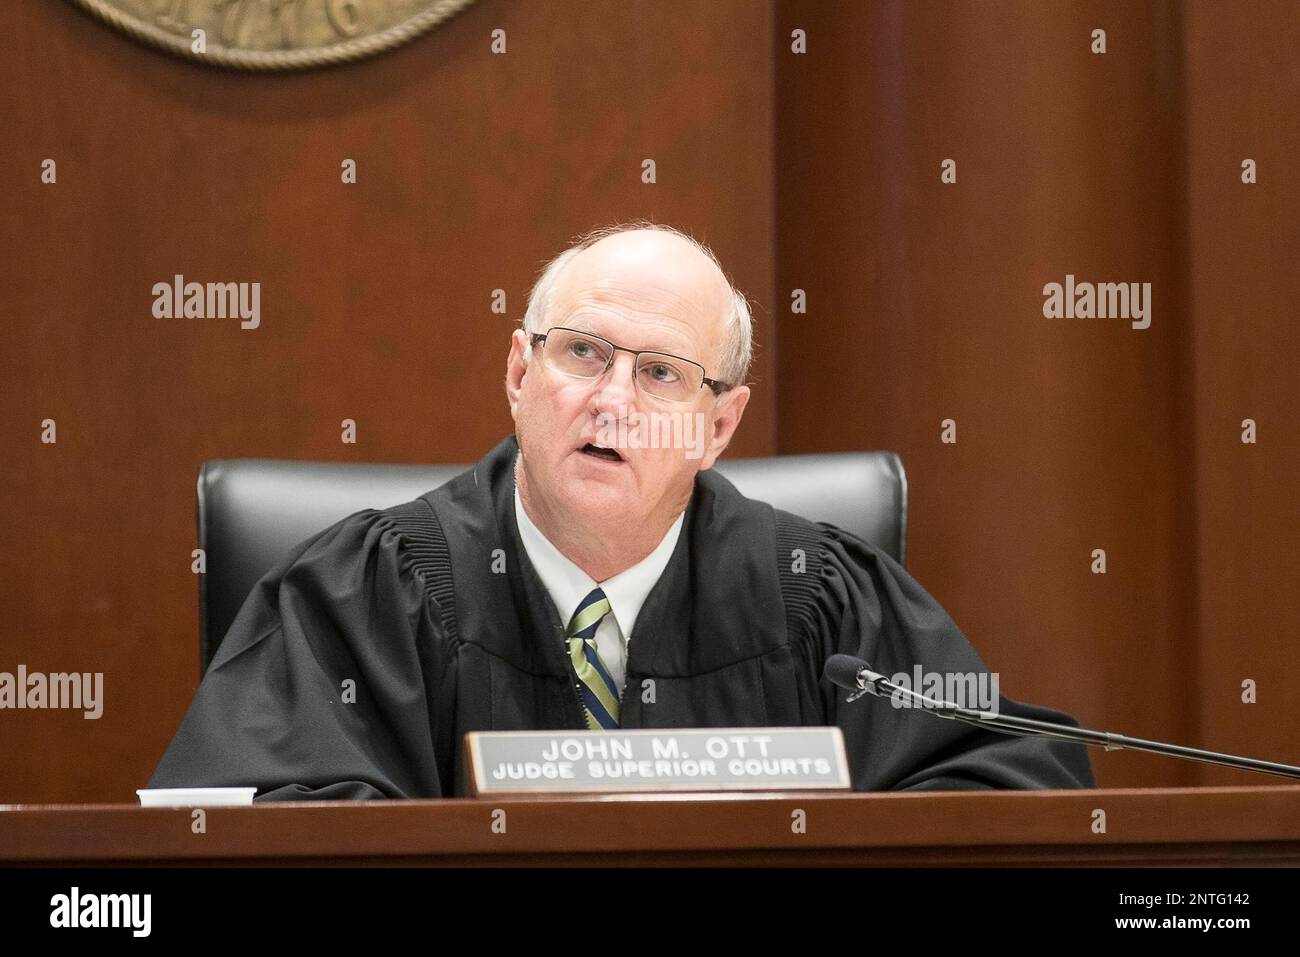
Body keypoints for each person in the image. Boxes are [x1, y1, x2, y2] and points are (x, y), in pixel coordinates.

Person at [148, 222, 1095, 800]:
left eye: (660, 374)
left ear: (719, 423)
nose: (613, 401)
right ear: (520, 372)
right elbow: (250, 813)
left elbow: (1006, 778)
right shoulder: (366, 590)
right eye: (584, 353)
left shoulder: (820, 603)